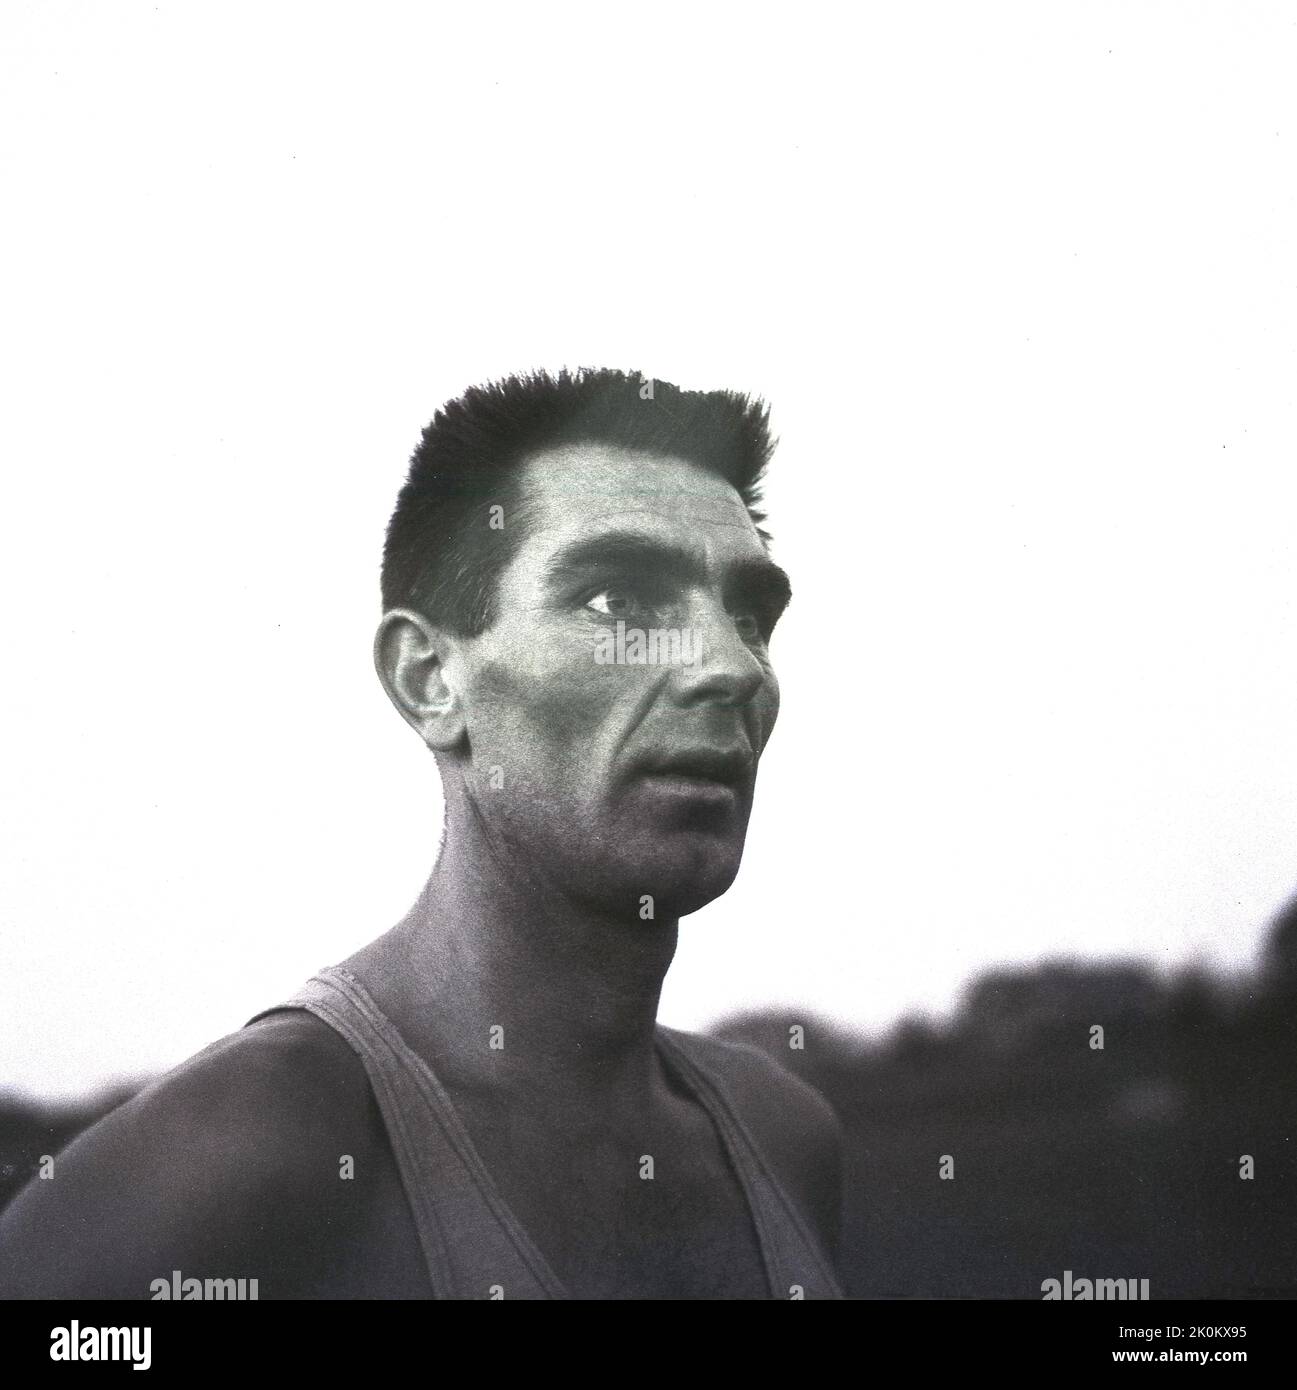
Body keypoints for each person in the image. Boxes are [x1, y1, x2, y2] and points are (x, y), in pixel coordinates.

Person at [0, 368, 844, 1300]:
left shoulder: (781, 1134)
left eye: (749, 616)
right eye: (618, 603)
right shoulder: (234, 1163)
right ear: (429, 679)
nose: (730, 667)